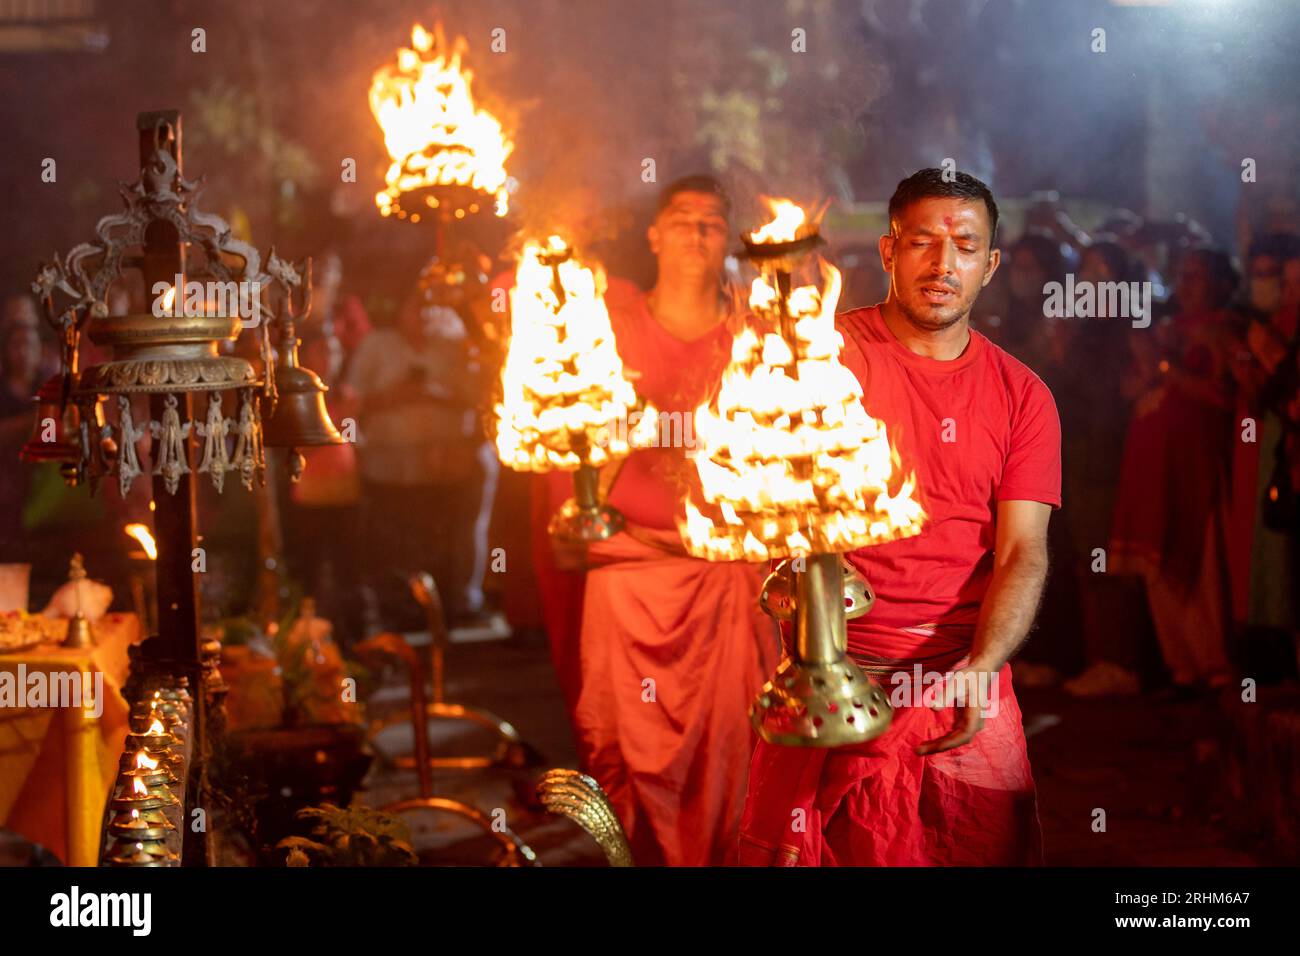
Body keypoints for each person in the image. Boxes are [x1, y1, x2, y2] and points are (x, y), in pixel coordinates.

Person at [739, 168, 1060, 866]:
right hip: (833, 675)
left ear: (990, 264)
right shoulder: (823, 361)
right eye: (922, 243)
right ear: (889, 253)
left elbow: (1021, 553)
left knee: (978, 851)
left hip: (962, 676)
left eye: (966, 246)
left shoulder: (1022, 396)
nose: (943, 265)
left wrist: (982, 665)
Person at [559, 175, 780, 866]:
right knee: (622, 741)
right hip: (630, 574)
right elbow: (573, 442)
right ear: (654, 235)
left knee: (740, 747)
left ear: (729, 240)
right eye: (681, 218)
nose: (697, 233)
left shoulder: (759, 328)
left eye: (713, 221)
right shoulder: (611, 332)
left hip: (730, 578)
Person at [1109, 247, 1240, 693]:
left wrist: (1169, 365)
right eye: (1182, 275)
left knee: (1202, 567)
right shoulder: (1162, 330)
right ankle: (1181, 666)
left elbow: (1224, 397)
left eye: (1198, 276)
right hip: (1152, 466)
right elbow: (1128, 390)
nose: (1186, 285)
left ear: (1223, 284)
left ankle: (1215, 665)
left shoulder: (1227, 333)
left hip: (1196, 466)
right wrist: (1149, 361)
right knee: (1157, 563)